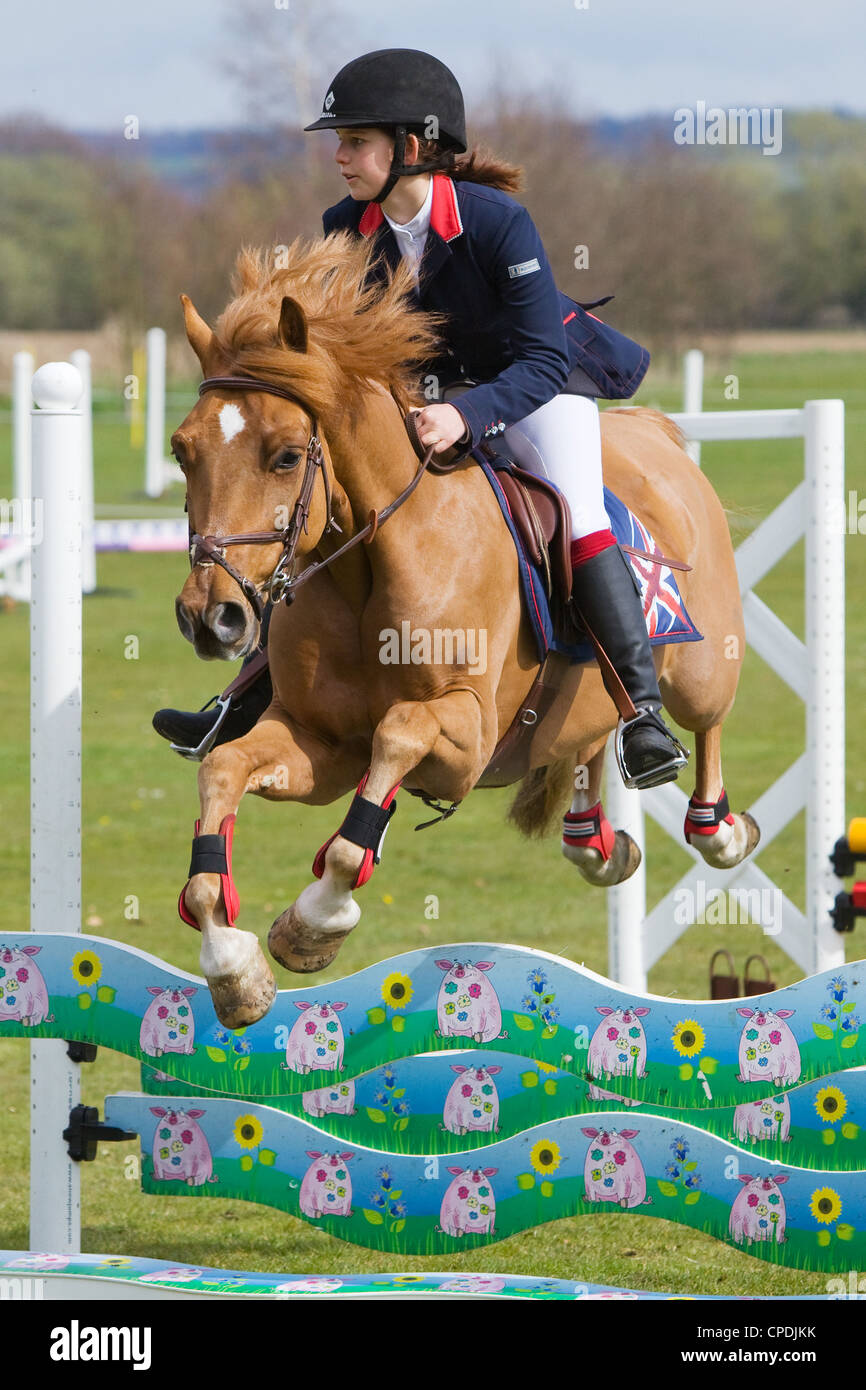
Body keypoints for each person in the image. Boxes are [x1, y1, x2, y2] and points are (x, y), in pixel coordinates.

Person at [154, 48, 687, 790]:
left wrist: (465, 415)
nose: (339, 157)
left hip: (532, 387)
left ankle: (641, 711)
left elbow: (538, 356)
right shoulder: (347, 225)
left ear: (409, 148)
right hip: (423, 397)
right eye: (339, 143)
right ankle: (247, 699)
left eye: (354, 142)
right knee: (321, 503)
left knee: (578, 510)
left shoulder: (499, 222)